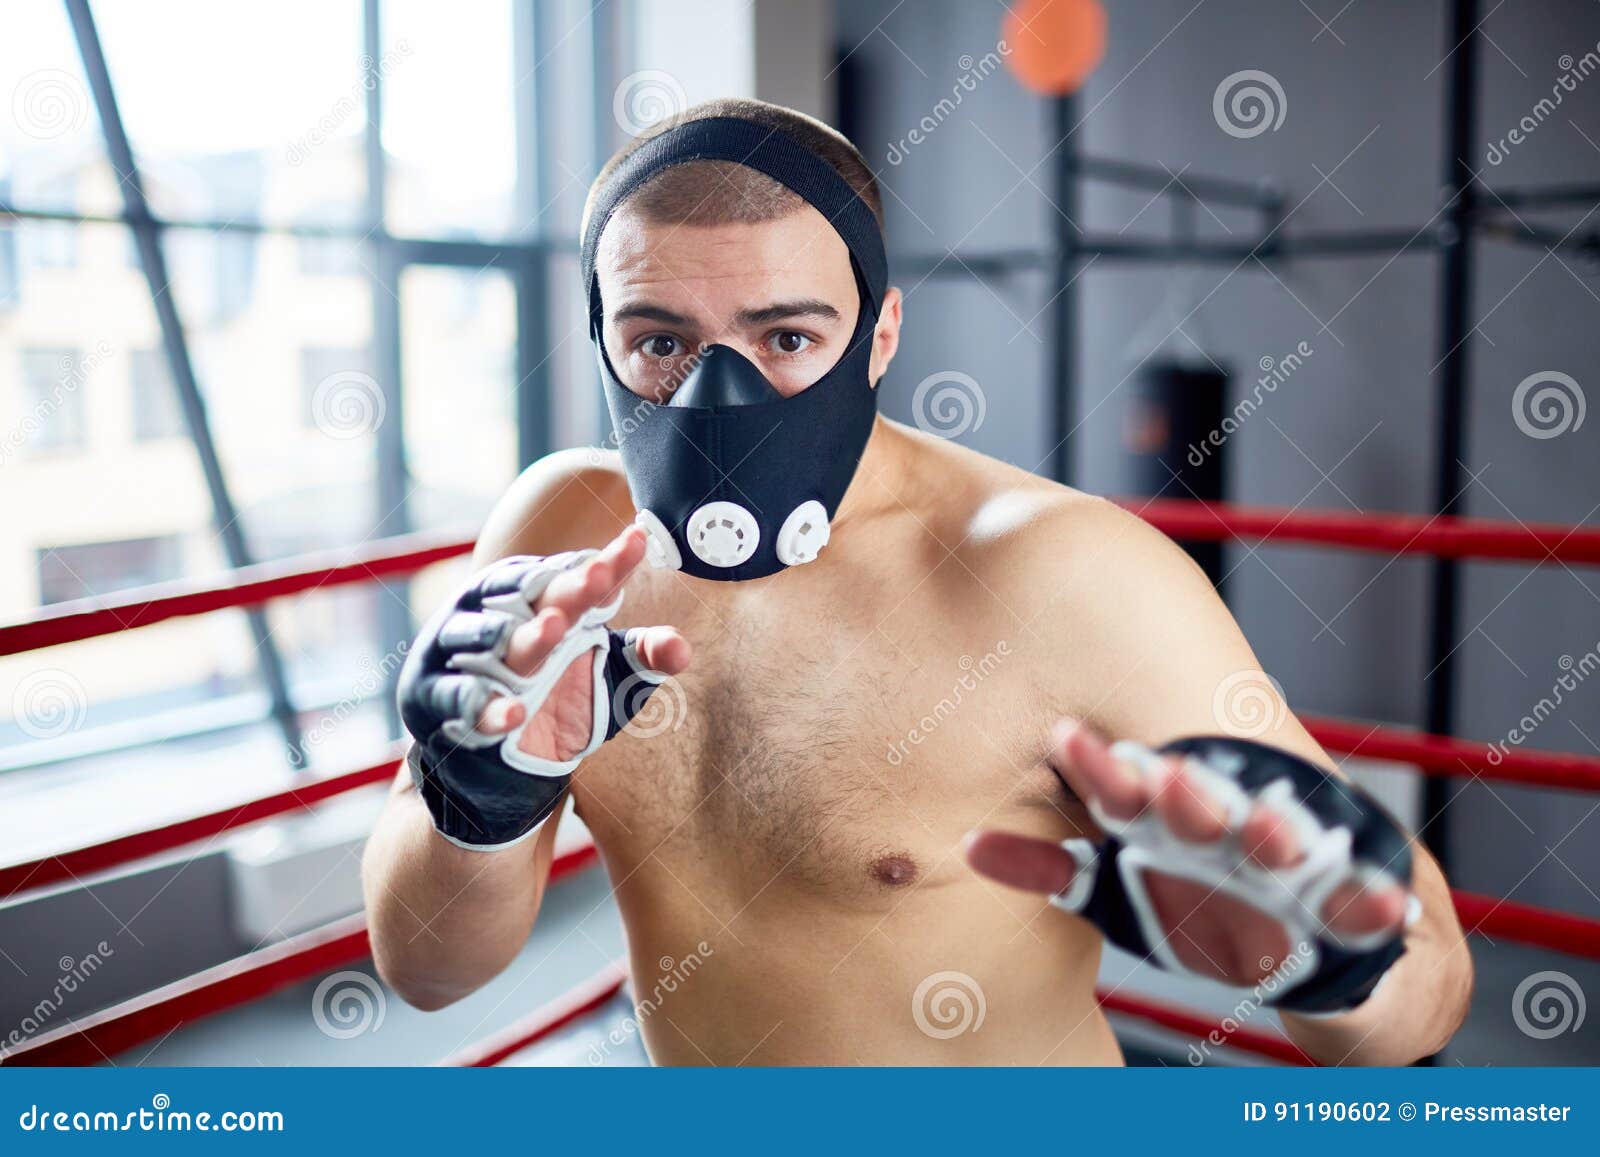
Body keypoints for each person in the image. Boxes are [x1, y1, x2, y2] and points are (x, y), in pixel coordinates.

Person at [362, 97, 1472, 1065]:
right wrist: (476, 805)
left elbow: (1426, 992)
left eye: (785, 337)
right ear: (601, 338)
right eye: (660, 343)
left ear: (881, 334)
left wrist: (1336, 959)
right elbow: (427, 969)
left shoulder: (1058, 574)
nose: (715, 393)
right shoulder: (563, 535)